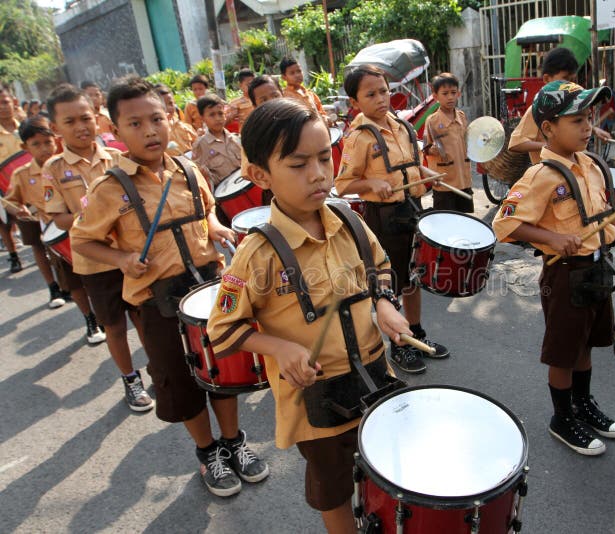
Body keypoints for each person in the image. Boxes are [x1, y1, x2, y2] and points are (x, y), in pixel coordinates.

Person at [208, 98, 411, 532]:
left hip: (375, 376)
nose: (319, 173)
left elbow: (380, 269)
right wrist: (279, 347)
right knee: (333, 489)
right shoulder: (254, 255)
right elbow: (222, 328)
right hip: (318, 399)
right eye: (298, 164)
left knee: (385, 468)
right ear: (260, 175)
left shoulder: (349, 221)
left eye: (324, 157)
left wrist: (384, 304)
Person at [71, 76, 268, 497]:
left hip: (212, 288)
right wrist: (123, 259)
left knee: (226, 370)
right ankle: (208, 451)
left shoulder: (187, 168)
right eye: (135, 123)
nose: (149, 131)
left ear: (170, 118)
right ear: (117, 130)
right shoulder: (109, 188)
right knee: (180, 381)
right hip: (157, 301)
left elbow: (208, 209)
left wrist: (215, 228)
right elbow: (81, 239)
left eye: (156, 119)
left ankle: (234, 441)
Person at [492, 80, 615, 456]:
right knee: (563, 352)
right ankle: (562, 417)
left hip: (596, 266)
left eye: (589, 117)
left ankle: (582, 404)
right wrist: (552, 239)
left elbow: (594, 213)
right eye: (577, 120)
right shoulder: (540, 176)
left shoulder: (588, 165)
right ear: (548, 129)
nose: (587, 126)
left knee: (587, 342)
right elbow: (504, 225)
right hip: (564, 274)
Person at [44, 83, 157, 413]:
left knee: (145, 317)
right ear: (55, 128)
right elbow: (58, 218)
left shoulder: (119, 156)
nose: (81, 127)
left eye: (86, 118)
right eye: (70, 122)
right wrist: (92, 214)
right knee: (114, 326)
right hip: (95, 261)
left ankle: (157, 368)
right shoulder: (54, 169)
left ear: (98, 119)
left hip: (133, 255)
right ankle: (130, 378)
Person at [335, 65, 449, 374]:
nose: (380, 98)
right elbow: (343, 184)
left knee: (414, 278)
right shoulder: (358, 138)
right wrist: (371, 184)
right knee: (390, 283)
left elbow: (411, 165)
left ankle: (415, 333)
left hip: (413, 209)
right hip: (384, 218)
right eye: (370, 94)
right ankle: (399, 345)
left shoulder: (402, 126)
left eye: (384, 90)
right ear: (354, 102)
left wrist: (427, 174)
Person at [509, 47, 612, 164]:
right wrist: (552, 145)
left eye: (573, 80)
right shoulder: (539, 110)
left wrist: (594, 130)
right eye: (565, 79)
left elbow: (570, 123)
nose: (570, 84)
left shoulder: (571, 104)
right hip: (552, 174)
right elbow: (516, 144)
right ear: (547, 79)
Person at [4, 116, 67, 308]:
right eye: (36, 144)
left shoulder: (67, 164)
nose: (44, 149)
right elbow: (10, 200)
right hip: (41, 220)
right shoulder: (21, 175)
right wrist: (18, 209)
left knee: (67, 266)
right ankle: (52, 286)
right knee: (38, 247)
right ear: (26, 148)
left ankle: (67, 287)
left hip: (69, 220)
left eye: (48, 142)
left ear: (56, 139)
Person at [423, 72, 473, 213]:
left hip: (464, 179)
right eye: (445, 93)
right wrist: (433, 150)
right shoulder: (432, 121)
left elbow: (468, 143)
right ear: (435, 96)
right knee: (446, 221)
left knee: (465, 219)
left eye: (453, 92)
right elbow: (425, 148)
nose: (450, 97)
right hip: (445, 183)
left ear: (459, 94)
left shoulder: (462, 117)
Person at [191, 93, 241, 187]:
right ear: (203, 118)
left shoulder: (235, 139)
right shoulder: (201, 145)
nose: (218, 118)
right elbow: (199, 179)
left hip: (244, 186)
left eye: (220, 113)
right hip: (224, 195)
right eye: (212, 115)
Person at [0, 83, 24, 272]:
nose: (3, 106)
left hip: (28, 182)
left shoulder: (25, 127)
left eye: (5, 102)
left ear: (13, 102)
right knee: (5, 224)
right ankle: (14, 256)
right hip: (3, 186)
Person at [280, 57, 330, 123]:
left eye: (299, 71)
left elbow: (321, 112)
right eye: (292, 73)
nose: (297, 75)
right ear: (284, 77)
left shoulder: (310, 94)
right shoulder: (283, 96)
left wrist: (325, 118)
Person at [153, 84, 197, 157]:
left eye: (170, 103)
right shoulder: (156, 133)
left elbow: (196, 142)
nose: (168, 108)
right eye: (163, 105)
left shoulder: (183, 125)